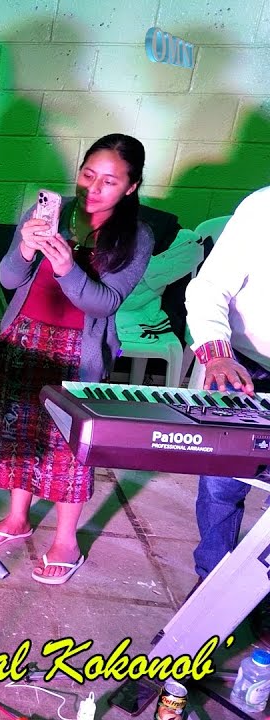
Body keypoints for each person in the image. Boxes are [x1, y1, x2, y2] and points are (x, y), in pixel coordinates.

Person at [0, 134, 153, 585]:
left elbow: (105, 303)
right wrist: (25, 249)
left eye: (109, 181)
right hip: (23, 337)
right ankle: (17, 519)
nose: (93, 188)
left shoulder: (136, 236)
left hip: (76, 352)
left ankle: (67, 540)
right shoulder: (47, 214)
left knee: (68, 450)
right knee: (17, 433)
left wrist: (67, 269)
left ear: (131, 187)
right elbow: (7, 277)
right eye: (88, 174)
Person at [185, 185, 270, 586]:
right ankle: (212, 584)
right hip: (246, 369)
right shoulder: (262, 206)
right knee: (222, 486)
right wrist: (218, 354)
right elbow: (209, 287)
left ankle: (261, 595)